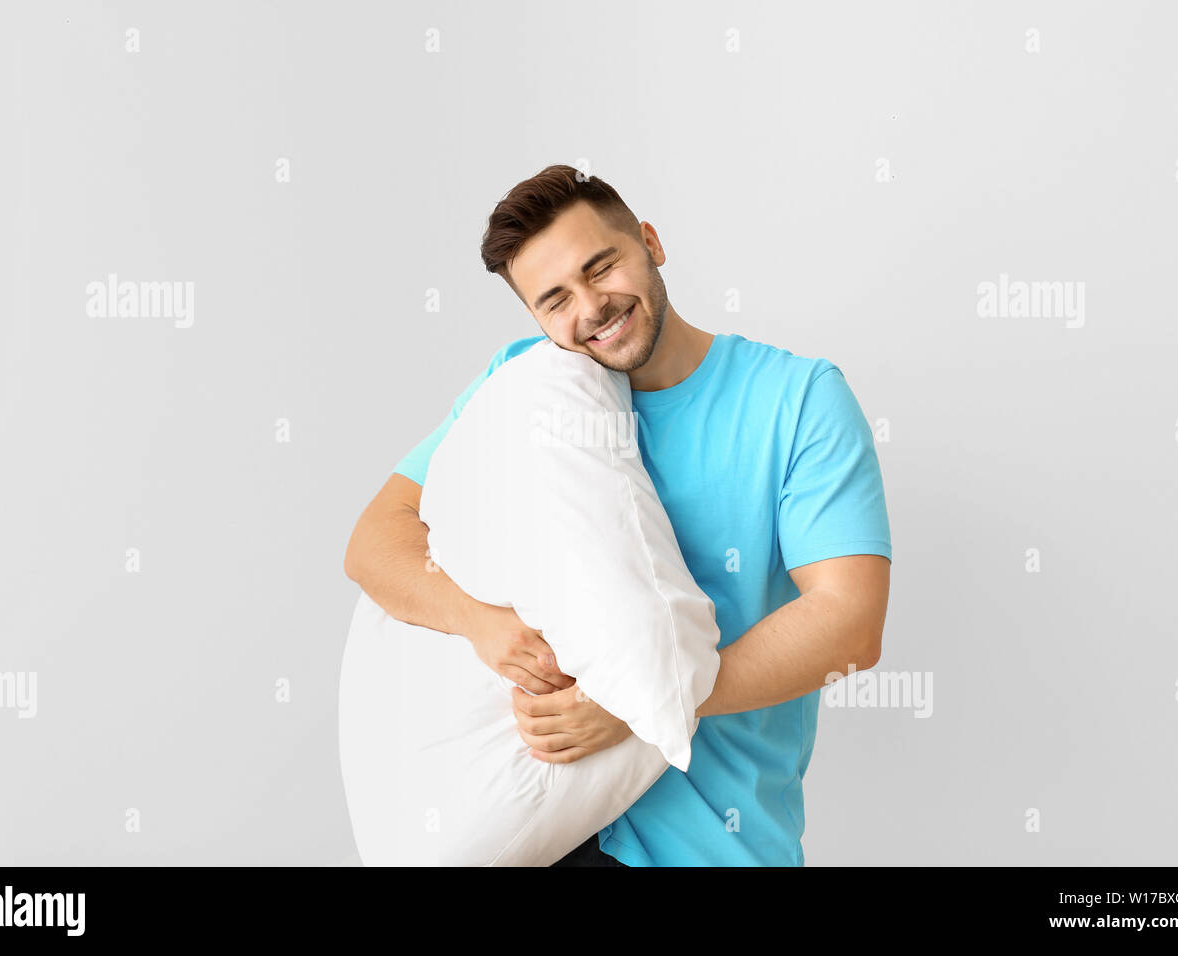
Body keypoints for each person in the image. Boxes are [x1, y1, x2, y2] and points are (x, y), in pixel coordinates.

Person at [344, 165, 892, 866]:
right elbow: (374, 539)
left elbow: (850, 624)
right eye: (555, 300)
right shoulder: (521, 386)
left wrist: (642, 701)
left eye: (601, 267)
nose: (592, 307)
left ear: (651, 243)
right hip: (538, 836)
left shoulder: (796, 400)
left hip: (708, 847)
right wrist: (477, 622)